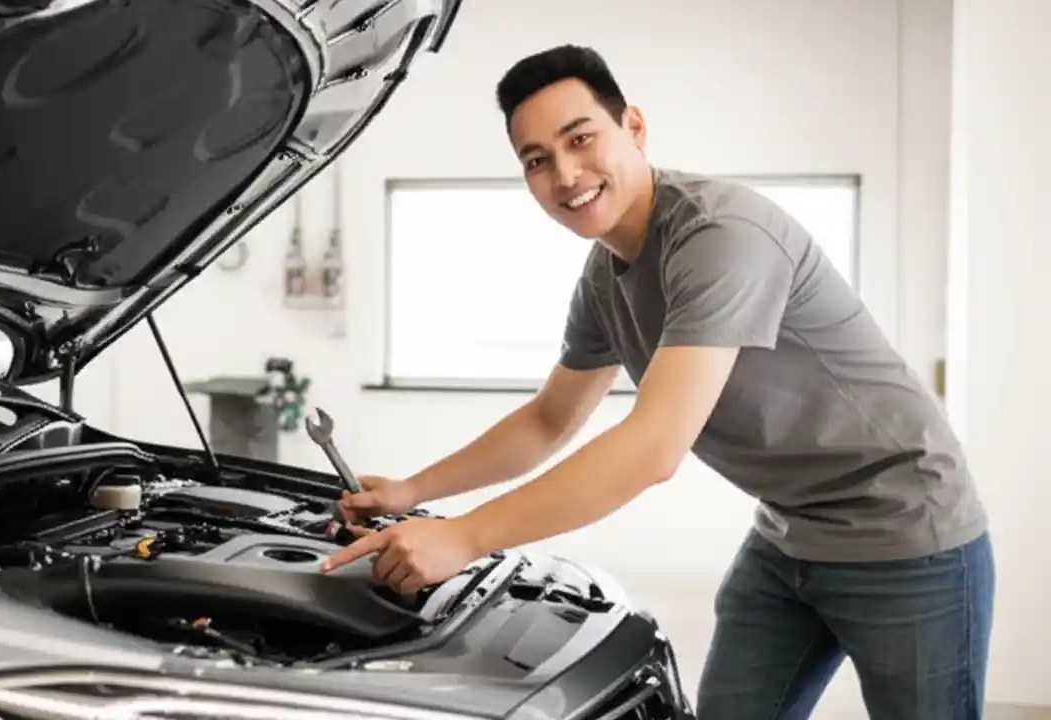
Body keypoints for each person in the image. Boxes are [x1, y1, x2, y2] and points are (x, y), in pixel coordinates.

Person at [321, 44, 993, 719]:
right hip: (789, 534)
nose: (565, 174)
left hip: (907, 537)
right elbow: (548, 421)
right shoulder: (604, 274)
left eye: (580, 139)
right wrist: (413, 491)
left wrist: (463, 538)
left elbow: (653, 448)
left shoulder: (720, 236)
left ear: (633, 127)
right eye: (536, 160)